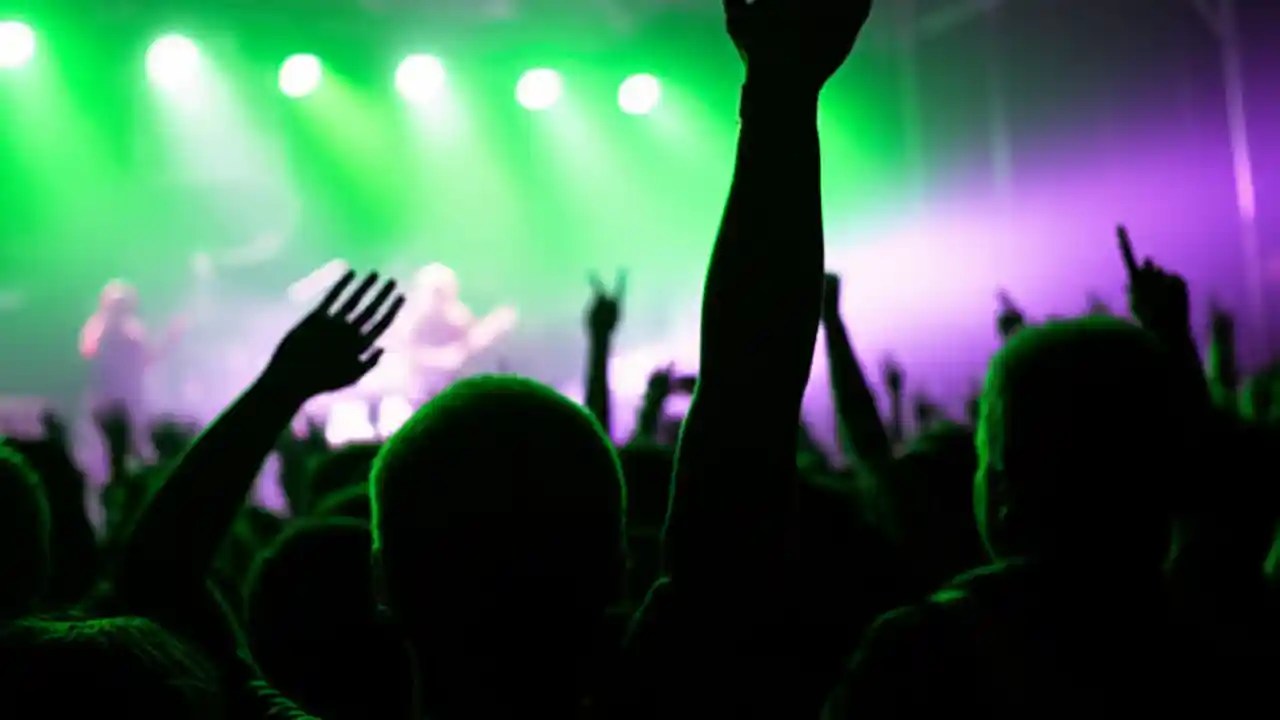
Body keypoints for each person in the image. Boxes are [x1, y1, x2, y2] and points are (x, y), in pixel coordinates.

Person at [392, 263, 517, 403]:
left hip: (453, 392)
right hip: (419, 395)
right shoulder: (411, 322)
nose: (441, 298)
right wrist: (485, 331)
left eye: (446, 291)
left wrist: (489, 330)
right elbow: (447, 357)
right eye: (437, 292)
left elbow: (467, 351)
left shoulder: (458, 317)